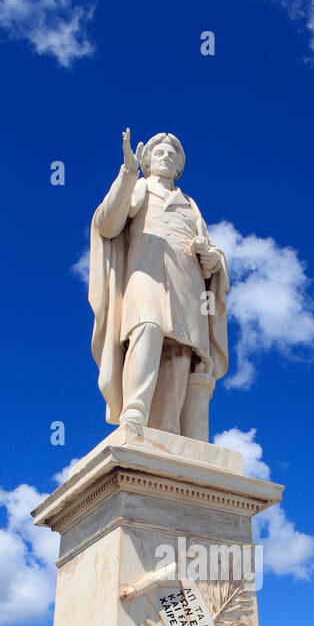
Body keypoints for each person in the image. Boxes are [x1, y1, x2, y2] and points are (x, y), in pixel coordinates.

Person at [90, 129, 229, 441]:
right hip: (145, 275)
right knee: (147, 327)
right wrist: (127, 171)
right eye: (159, 152)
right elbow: (108, 224)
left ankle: (168, 429)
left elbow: (212, 252)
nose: (165, 157)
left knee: (180, 350)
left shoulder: (191, 205)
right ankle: (134, 412)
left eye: (172, 154)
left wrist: (212, 261)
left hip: (187, 284)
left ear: (179, 166)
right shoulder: (139, 188)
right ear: (147, 161)